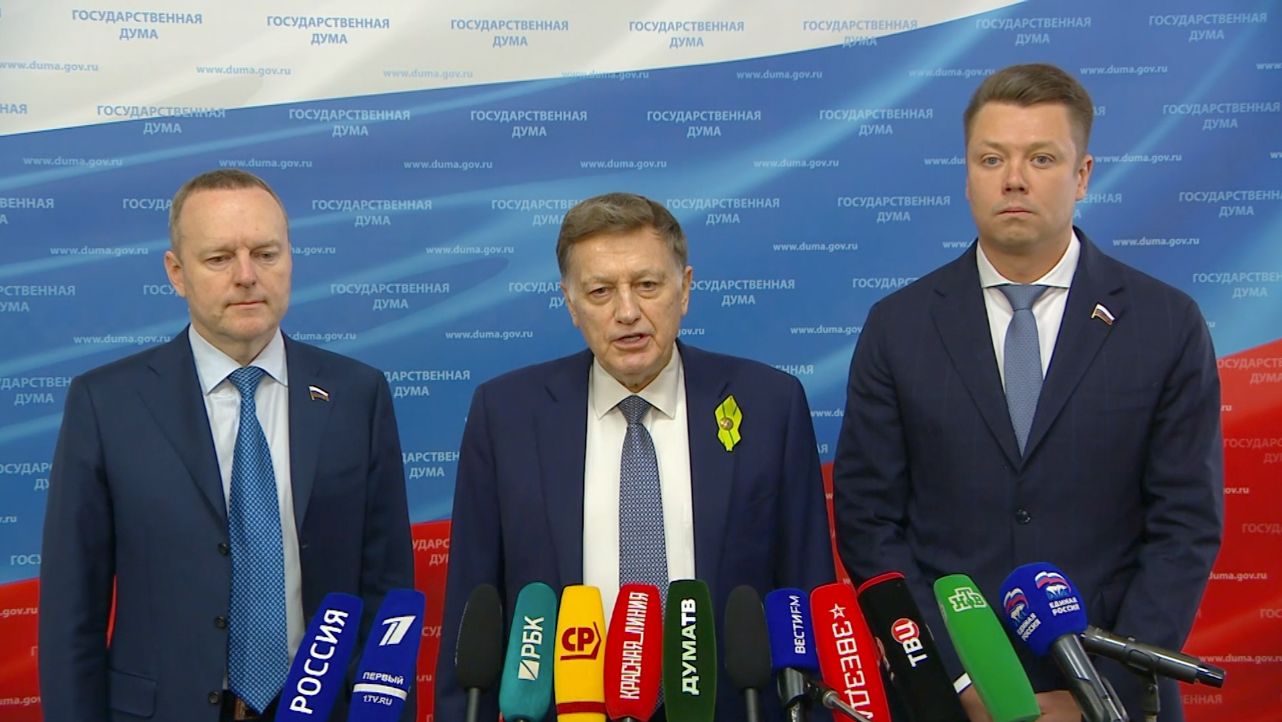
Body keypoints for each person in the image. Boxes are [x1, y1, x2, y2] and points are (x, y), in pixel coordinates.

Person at [832, 63, 1222, 722]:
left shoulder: (1166, 323)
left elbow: (1184, 528)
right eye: (992, 159)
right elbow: (870, 524)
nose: (1013, 179)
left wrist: (1098, 691)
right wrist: (957, 681)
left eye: (1041, 158)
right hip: (947, 700)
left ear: (1083, 174)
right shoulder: (898, 327)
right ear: (967, 175)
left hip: (1116, 699)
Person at [435, 192, 834, 721]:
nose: (627, 312)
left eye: (647, 285)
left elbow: (807, 593)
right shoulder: (506, 415)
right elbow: (472, 609)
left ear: (685, 289)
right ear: (570, 303)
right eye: (600, 291)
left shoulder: (769, 404)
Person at [38, 169, 415, 722]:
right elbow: (73, 609)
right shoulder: (107, 404)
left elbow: (389, 593)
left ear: (290, 259)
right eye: (219, 258)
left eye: (265, 253)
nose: (246, 276)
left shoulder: (358, 394)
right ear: (177, 273)